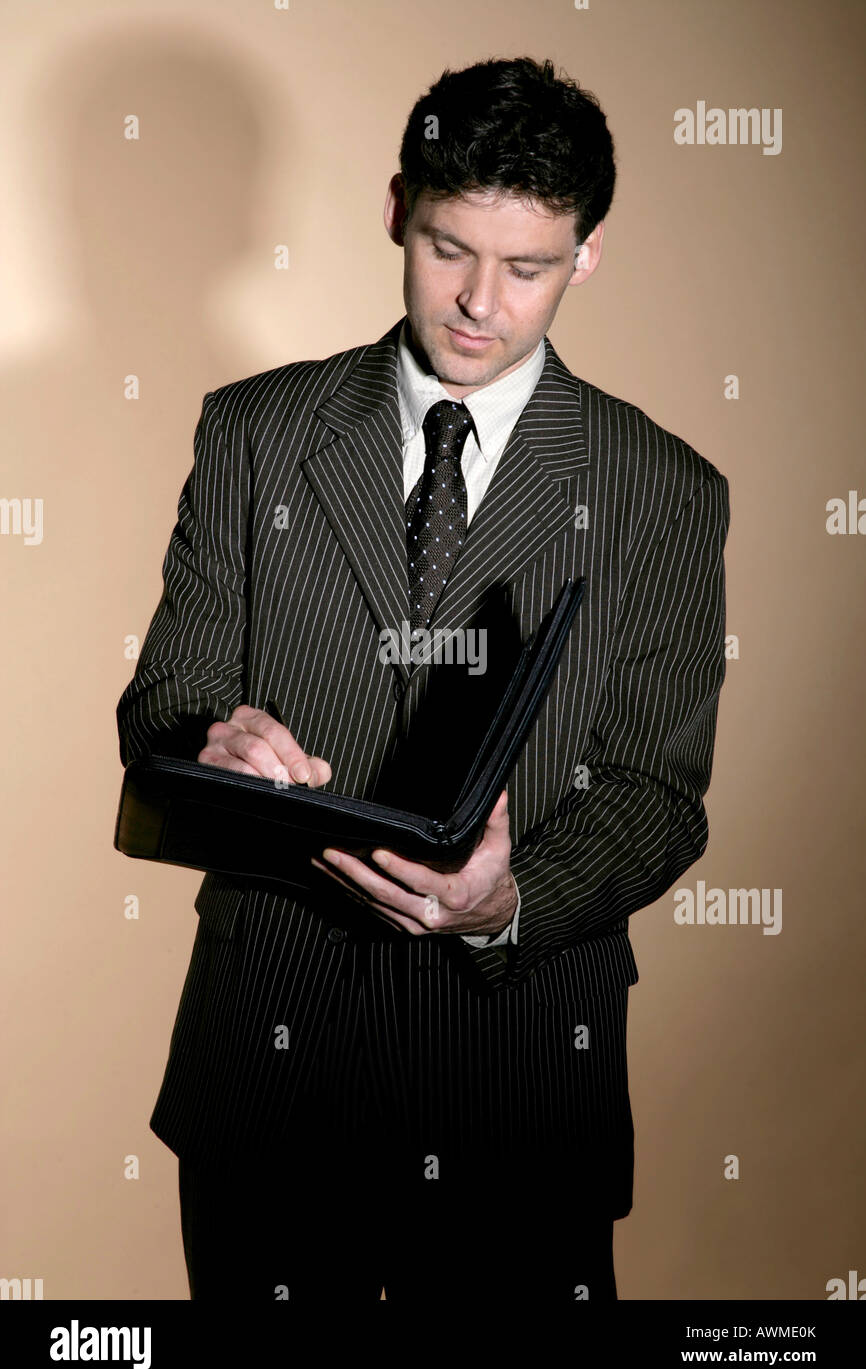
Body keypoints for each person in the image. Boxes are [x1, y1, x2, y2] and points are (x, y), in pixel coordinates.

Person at [116, 56, 729, 1303]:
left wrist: (506, 902)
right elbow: (161, 703)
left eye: (528, 268)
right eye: (449, 248)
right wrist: (210, 745)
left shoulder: (662, 488)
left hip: (516, 1088)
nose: (478, 305)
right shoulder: (252, 430)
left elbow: (657, 795)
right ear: (396, 205)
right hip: (269, 1072)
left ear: (587, 255)